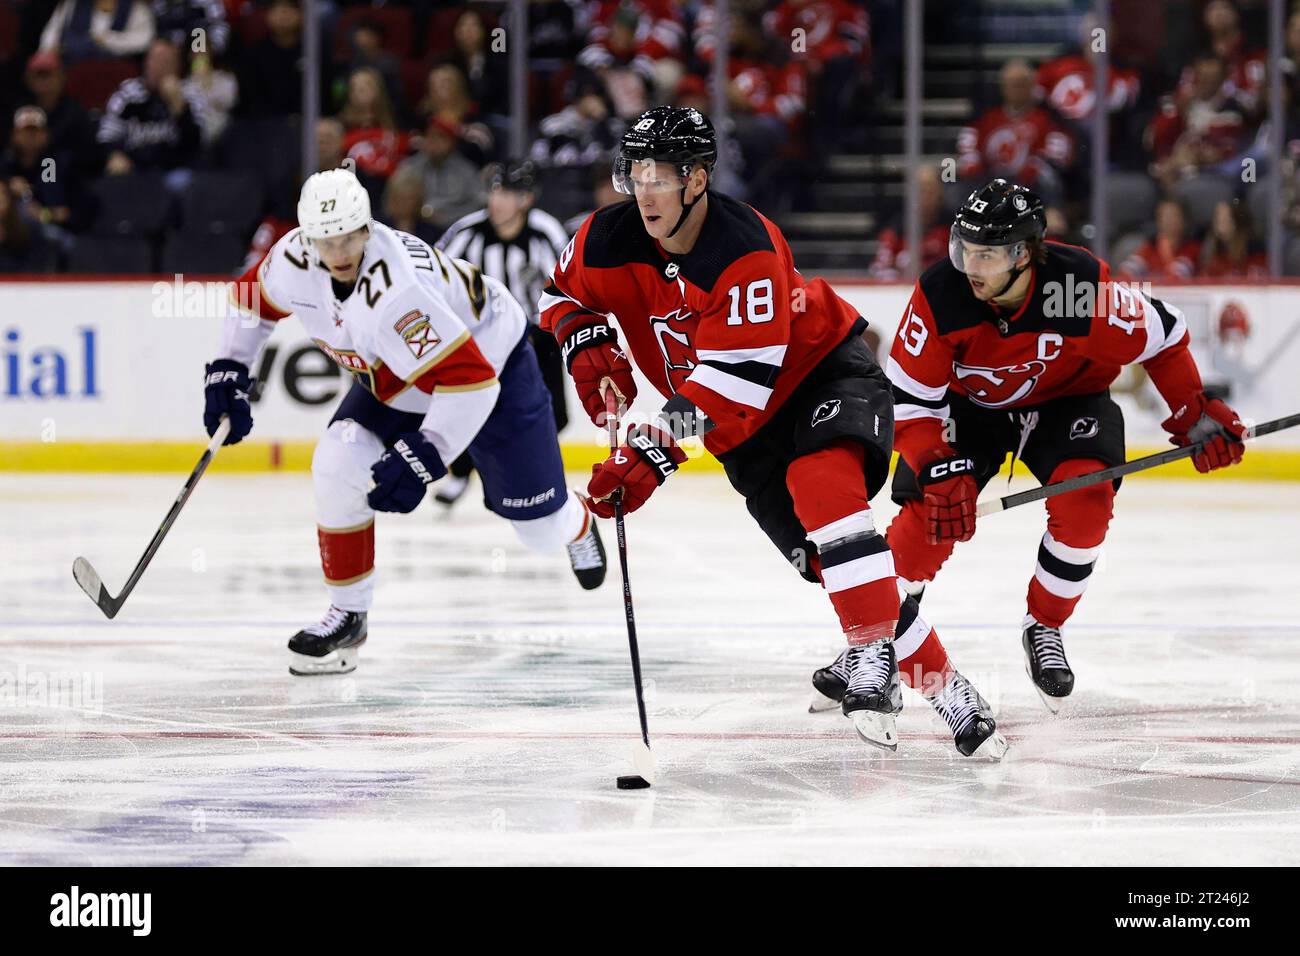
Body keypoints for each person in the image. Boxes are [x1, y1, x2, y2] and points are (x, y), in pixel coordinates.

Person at [540, 106, 1005, 757]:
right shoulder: (602, 239)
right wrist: (585, 339)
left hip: (820, 379)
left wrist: (652, 451)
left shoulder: (746, 248)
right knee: (830, 565)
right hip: (744, 439)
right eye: (637, 172)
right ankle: (945, 683)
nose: (645, 189)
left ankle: (883, 663)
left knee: (823, 489)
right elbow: (557, 293)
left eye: (663, 174)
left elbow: (737, 384)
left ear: (698, 179)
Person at [206, 168, 607, 676]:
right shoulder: (290, 260)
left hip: (493, 366)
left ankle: (575, 522)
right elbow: (251, 303)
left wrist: (427, 454)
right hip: (399, 377)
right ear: (307, 239)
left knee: (538, 531)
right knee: (338, 460)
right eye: (326, 240)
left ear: (368, 228)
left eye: (350, 236)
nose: (339, 252)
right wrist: (228, 367)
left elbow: (472, 382)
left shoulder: (398, 293)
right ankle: (348, 614)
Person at [868, 178, 1246, 711]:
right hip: (970, 411)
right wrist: (936, 464)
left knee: (1085, 505)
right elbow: (908, 401)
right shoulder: (941, 294)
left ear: (1024, 254)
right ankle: (878, 644)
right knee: (927, 521)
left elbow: (1163, 334)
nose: (970, 266)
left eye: (987, 254)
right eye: (965, 249)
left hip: (1068, 403)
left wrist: (1193, 412)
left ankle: (1044, 624)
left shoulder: (1078, 290)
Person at [433, 160, 572, 507]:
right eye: (494, 191)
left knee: (555, 414)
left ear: (526, 199)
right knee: (469, 406)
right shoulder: (468, 232)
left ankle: (528, 472)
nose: (498, 201)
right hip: (481, 338)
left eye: (508, 193)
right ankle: (463, 471)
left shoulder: (545, 231)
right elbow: (431, 275)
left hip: (537, 337)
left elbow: (572, 281)